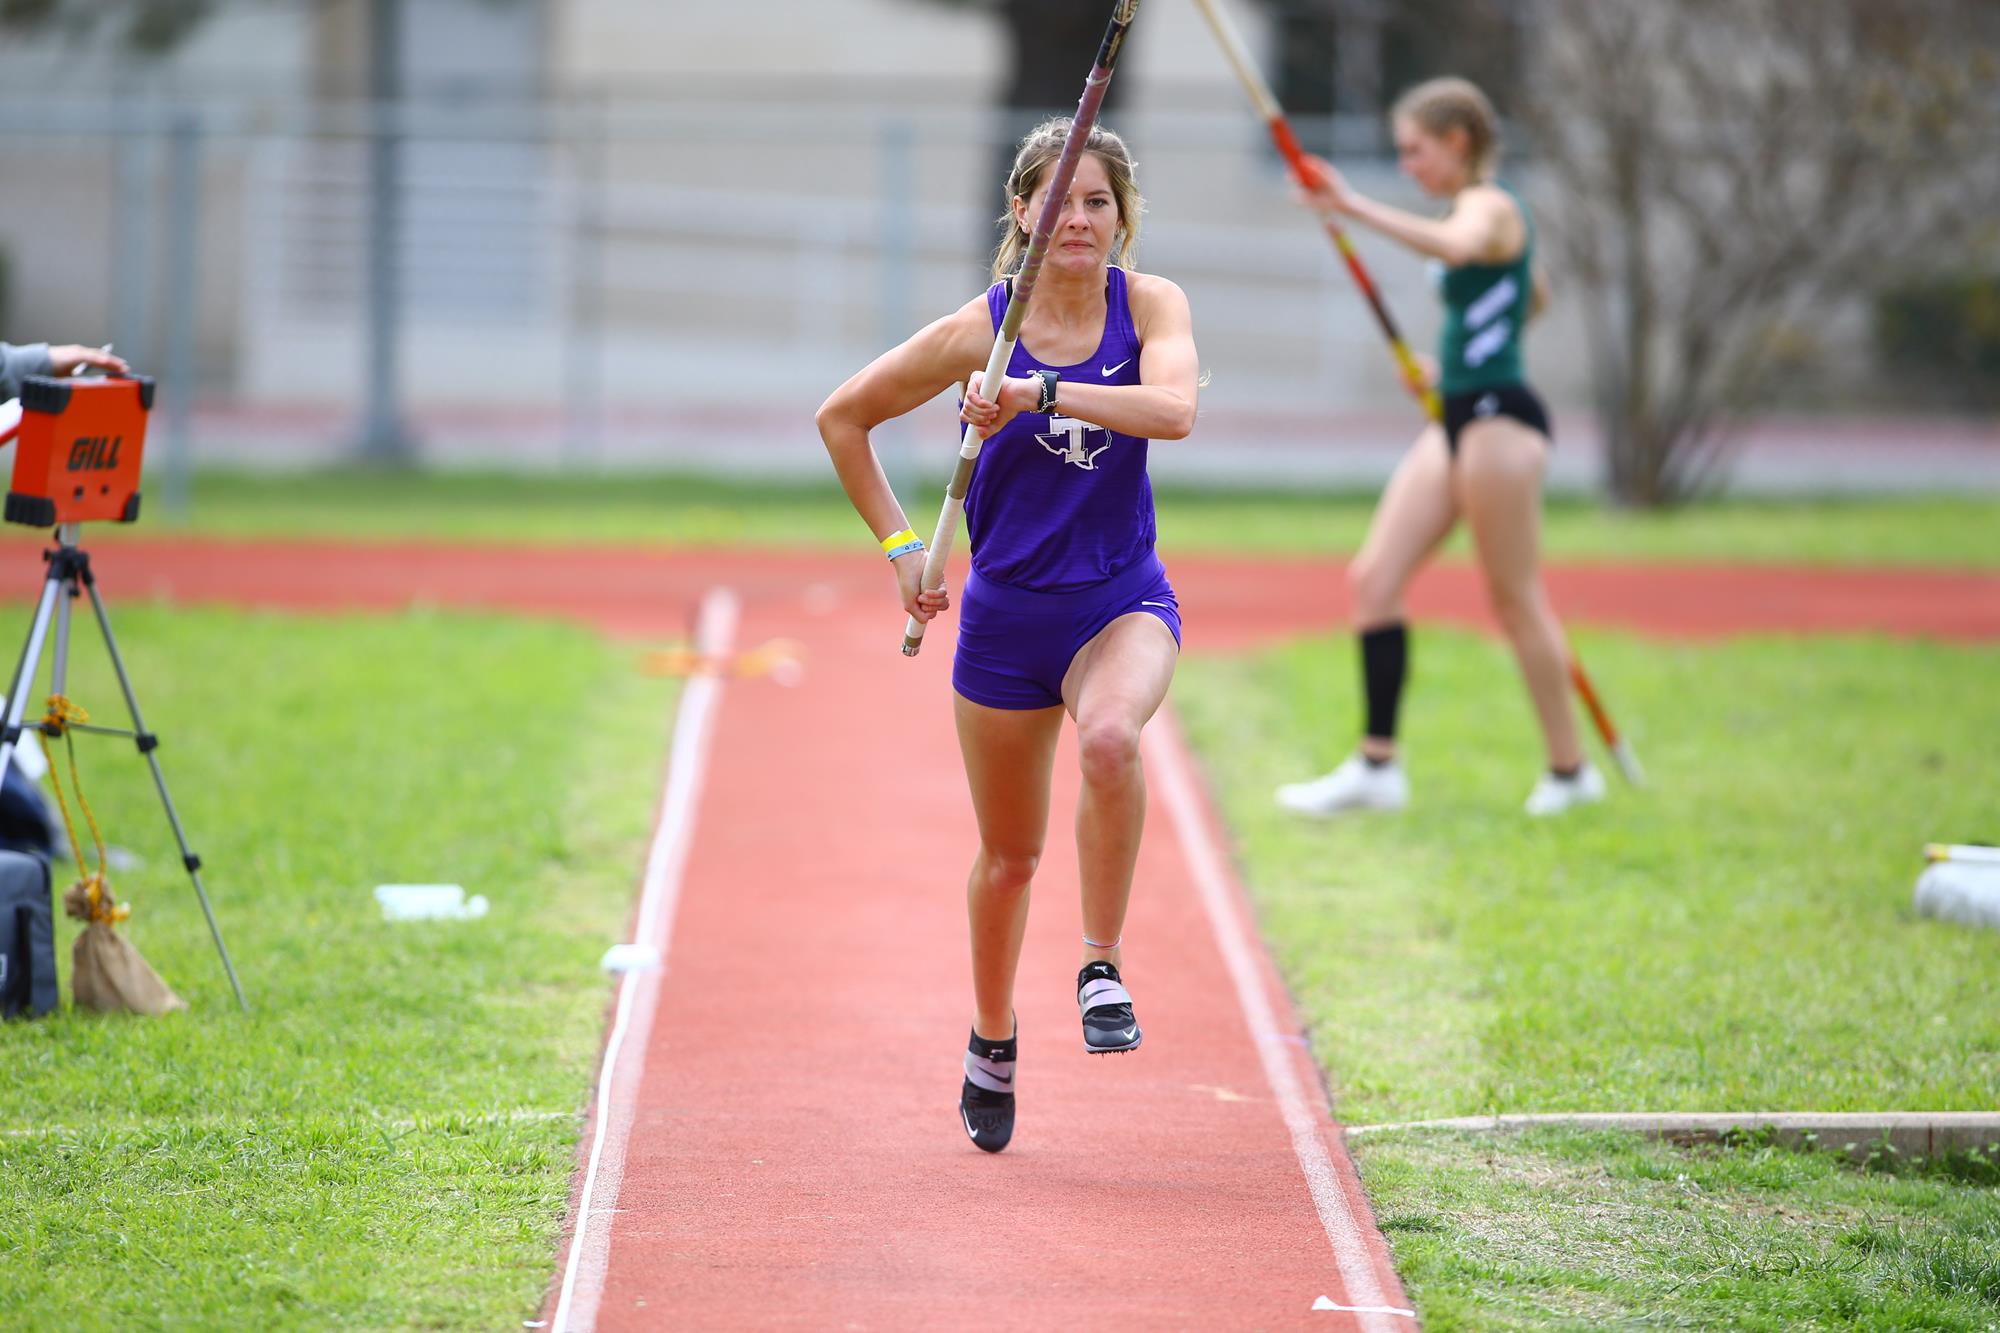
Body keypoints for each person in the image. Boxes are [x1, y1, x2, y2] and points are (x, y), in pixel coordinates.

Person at [817, 119, 1199, 1153]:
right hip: (1001, 622)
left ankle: (1099, 963)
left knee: (1112, 738)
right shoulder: (974, 331)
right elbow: (841, 418)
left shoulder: (1150, 303)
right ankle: (991, 1036)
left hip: (1118, 602)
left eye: (1096, 202)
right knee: (1009, 855)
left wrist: (1033, 393)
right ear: (1019, 210)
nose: (1076, 219)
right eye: (1056, 200)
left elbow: (1170, 410)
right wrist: (904, 549)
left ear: (1119, 218)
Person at [1274, 78, 1602, 820]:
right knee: (1374, 579)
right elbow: (1528, 294)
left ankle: (1570, 771)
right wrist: (1447, 369)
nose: (1410, 166)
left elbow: (1463, 247)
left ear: (1458, 142)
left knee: (1515, 600)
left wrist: (1349, 204)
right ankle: (1376, 767)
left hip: (1501, 424)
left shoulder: (1489, 205)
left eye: (1415, 151)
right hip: (1457, 414)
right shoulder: (1477, 213)